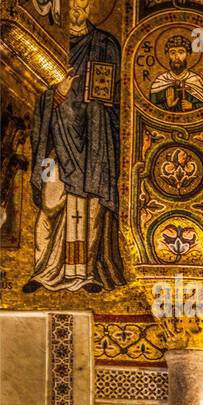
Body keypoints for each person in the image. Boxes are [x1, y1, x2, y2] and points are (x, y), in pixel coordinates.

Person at [24, 0, 125, 293]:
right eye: (71, 5)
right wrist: (57, 93)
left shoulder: (105, 44)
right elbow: (35, 91)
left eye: (82, 5)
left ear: (91, 7)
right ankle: (43, 269)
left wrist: (104, 99)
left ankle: (85, 273)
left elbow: (117, 94)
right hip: (54, 143)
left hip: (94, 142)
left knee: (90, 207)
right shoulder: (49, 42)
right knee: (50, 201)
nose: (76, 11)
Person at [149, 34, 203, 113]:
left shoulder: (196, 80)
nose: (177, 57)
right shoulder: (160, 81)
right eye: (172, 53)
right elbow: (151, 109)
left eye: (181, 52)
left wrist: (192, 106)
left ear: (187, 54)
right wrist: (167, 105)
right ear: (168, 55)